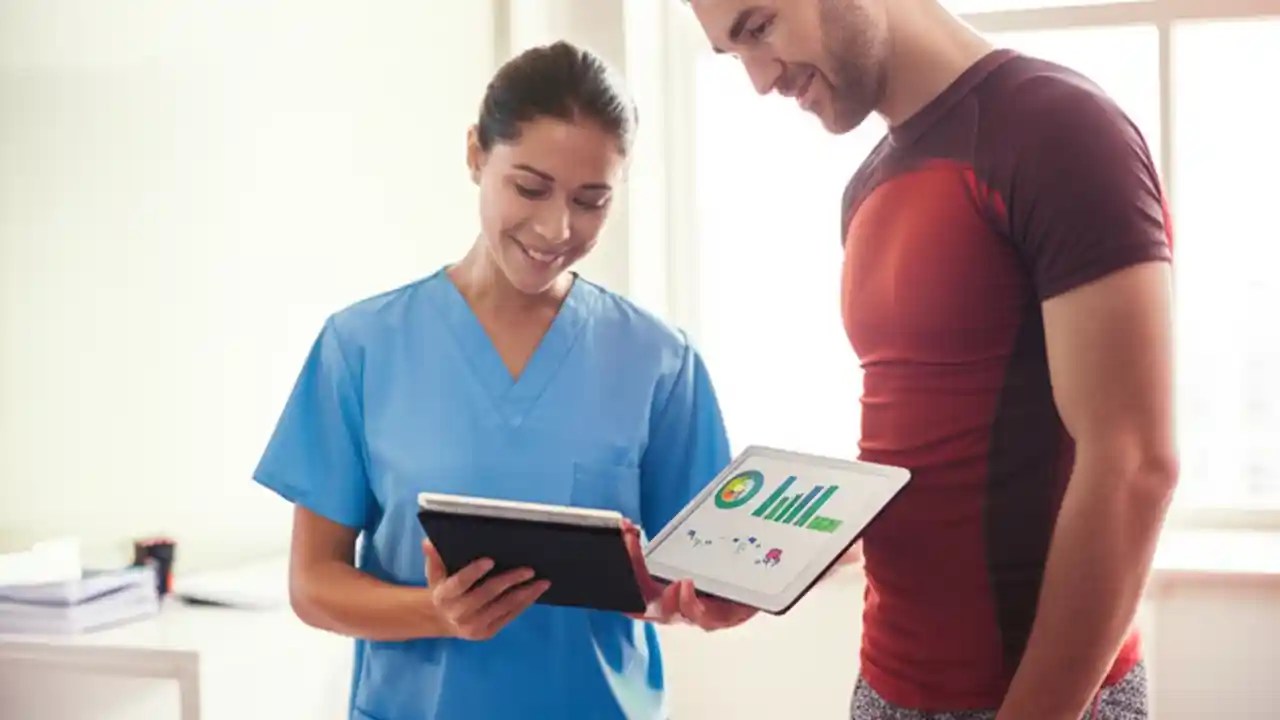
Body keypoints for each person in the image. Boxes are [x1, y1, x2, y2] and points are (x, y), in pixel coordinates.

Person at [684, 1, 1177, 719]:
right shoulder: (868, 186)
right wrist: (771, 562)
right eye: (734, 54)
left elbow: (1133, 466)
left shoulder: (1061, 130)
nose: (760, 80)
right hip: (885, 686)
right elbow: (927, 460)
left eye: (759, 28)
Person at [252, 40, 755, 720]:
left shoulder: (659, 361)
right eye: (530, 188)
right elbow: (314, 584)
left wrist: (711, 603)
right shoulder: (362, 347)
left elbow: (681, 583)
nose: (557, 227)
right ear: (475, 155)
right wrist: (436, 613)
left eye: (591, 200)